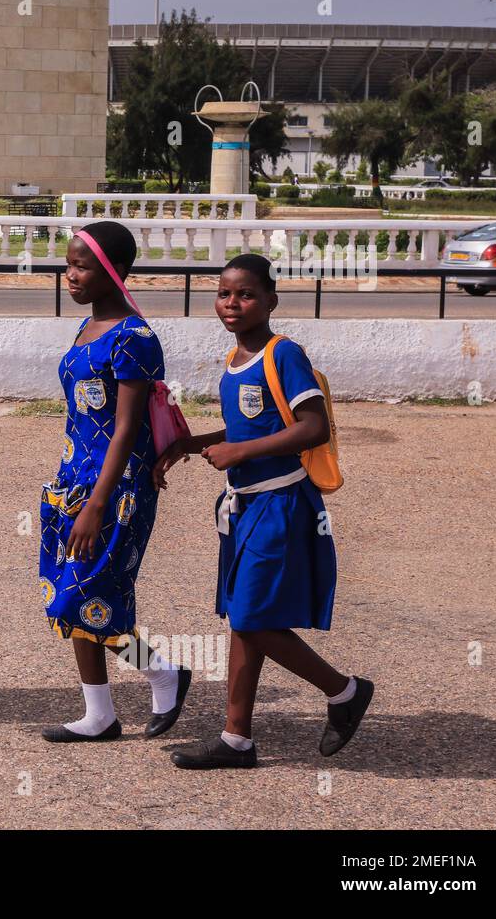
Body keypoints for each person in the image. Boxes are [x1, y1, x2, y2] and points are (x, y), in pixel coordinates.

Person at [155, 253, 373, 769]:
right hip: (245, 506)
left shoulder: (283, 354)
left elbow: (312, 426)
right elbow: (251, 429)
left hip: (281, 503)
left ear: (271, 300)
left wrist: (239, 453)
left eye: (246, 294)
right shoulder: (234, 360)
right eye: (224, 293)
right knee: (243, 618)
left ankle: (344, 692)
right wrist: (195, 443)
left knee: (252, 617)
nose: (232, 304)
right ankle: (236, 739)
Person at [38, 221, 190, 744]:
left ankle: (162, 672)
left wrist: (98, 503)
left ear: (115, 271)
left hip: (115, 490)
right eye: (68, 264)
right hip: (72, 481)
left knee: (87, 595)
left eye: (81, 265)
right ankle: (98, 713)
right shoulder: (86, 330)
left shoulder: (135, 338)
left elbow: (126, 427)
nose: (70, 275)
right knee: (71, 595)